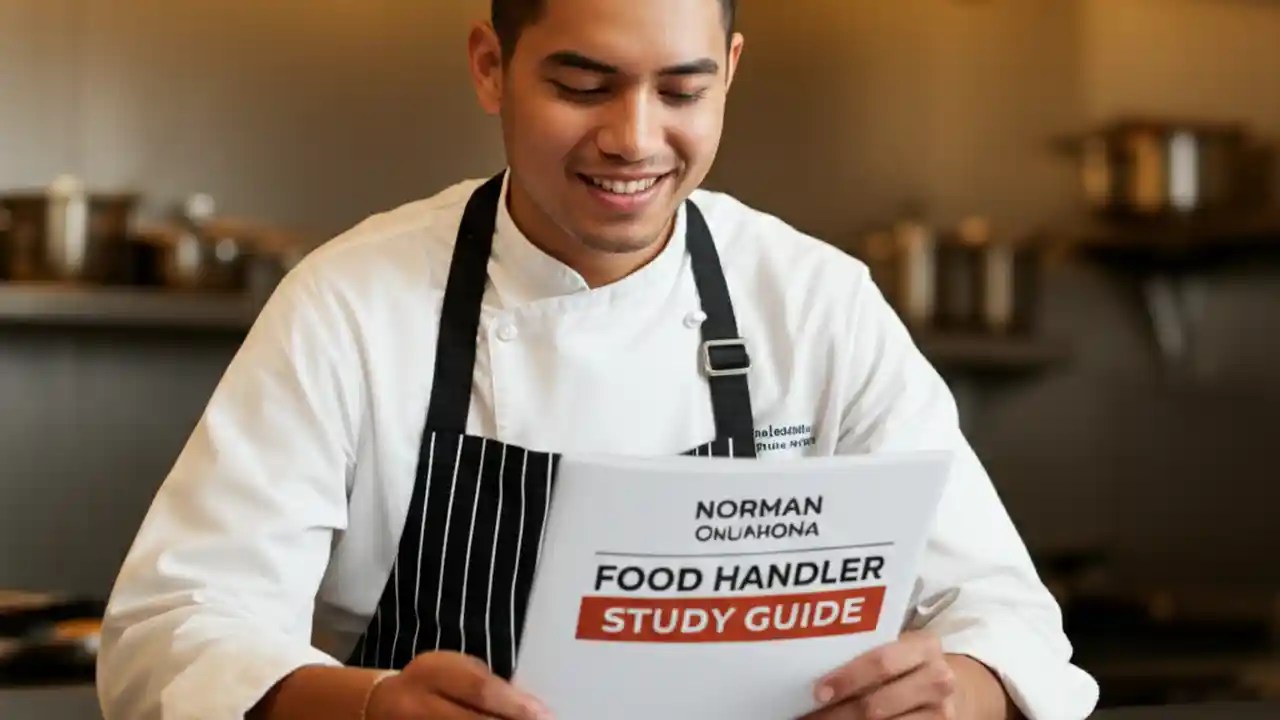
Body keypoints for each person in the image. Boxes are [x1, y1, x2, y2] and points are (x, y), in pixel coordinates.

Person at [96, 0, 1100, 718]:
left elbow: (998, 612)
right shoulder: (350, 303)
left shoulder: (815, 304)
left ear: (730, 73)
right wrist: (364, 709)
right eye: (582, 85)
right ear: (490, 64)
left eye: (681, 90)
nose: (634, 139)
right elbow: (173, 631)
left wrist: (962, 692)